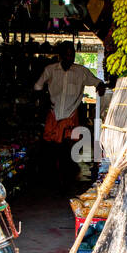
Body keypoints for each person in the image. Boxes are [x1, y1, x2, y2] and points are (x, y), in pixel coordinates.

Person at [34, 41, 104, 191]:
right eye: (66, 55)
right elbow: (37, 87)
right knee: (51, 150)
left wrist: (102, 88)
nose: (69, 58)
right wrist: (43, 100)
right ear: (60, 56)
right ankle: (52, 182)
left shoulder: (81, 72)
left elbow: (98, 82)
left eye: (72, 55)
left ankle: (66, 182)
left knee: (68, 151)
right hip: (54, 115)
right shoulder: (50, 70)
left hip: (71, 116)